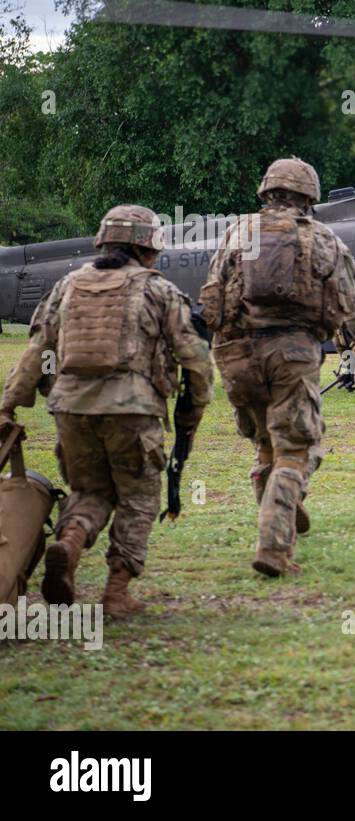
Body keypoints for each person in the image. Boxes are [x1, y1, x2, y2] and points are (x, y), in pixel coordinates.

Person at [0, 205, 212, 615]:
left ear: (103, 242)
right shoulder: (158, 290)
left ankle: (70, 543)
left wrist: (8, 405)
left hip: (71, 409)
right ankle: (116, 594)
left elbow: (37, 349)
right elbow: (195, 358)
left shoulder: (67, 286)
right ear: (149, 248)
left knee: (90, 490)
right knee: (137, 496)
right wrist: (193, 411)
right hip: (133, 411)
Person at [201, 157, 355, 576]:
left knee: (265, 445)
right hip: (292, 352)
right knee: (295, 450)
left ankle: (276, 500)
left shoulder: (237, 234)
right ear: (309, 197)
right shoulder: (321, 237)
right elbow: (349, 300)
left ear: (266, 193)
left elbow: (213, 295)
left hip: (236, 355)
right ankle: (273, 547)